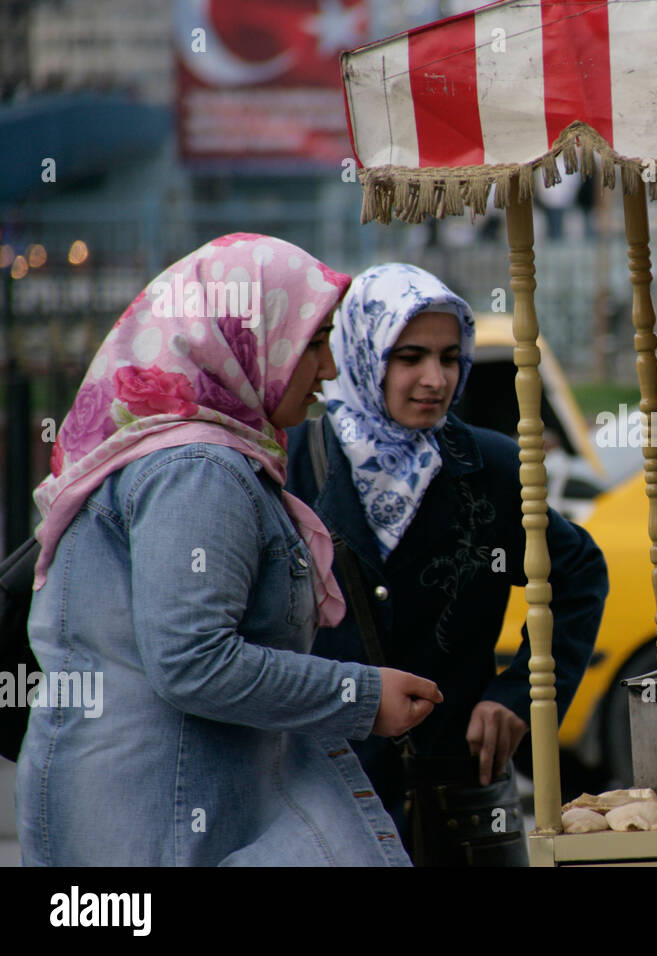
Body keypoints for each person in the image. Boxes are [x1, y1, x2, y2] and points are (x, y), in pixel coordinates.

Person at [17, 234, 442, 866]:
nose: (328, 368)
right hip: (156, 826)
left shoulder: (193, 455)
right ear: (249, 335)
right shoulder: (197, 468)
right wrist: (360, 695)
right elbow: (191, 659)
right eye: (315, 342)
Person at [284, 263, 607, 865]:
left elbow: (581, 574)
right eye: (410, 357)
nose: (435, 379)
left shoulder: (490, 467)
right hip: (326, 799)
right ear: (363, 353)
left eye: (449, 357)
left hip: (460, 802)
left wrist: (524, 694)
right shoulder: (293, 468)